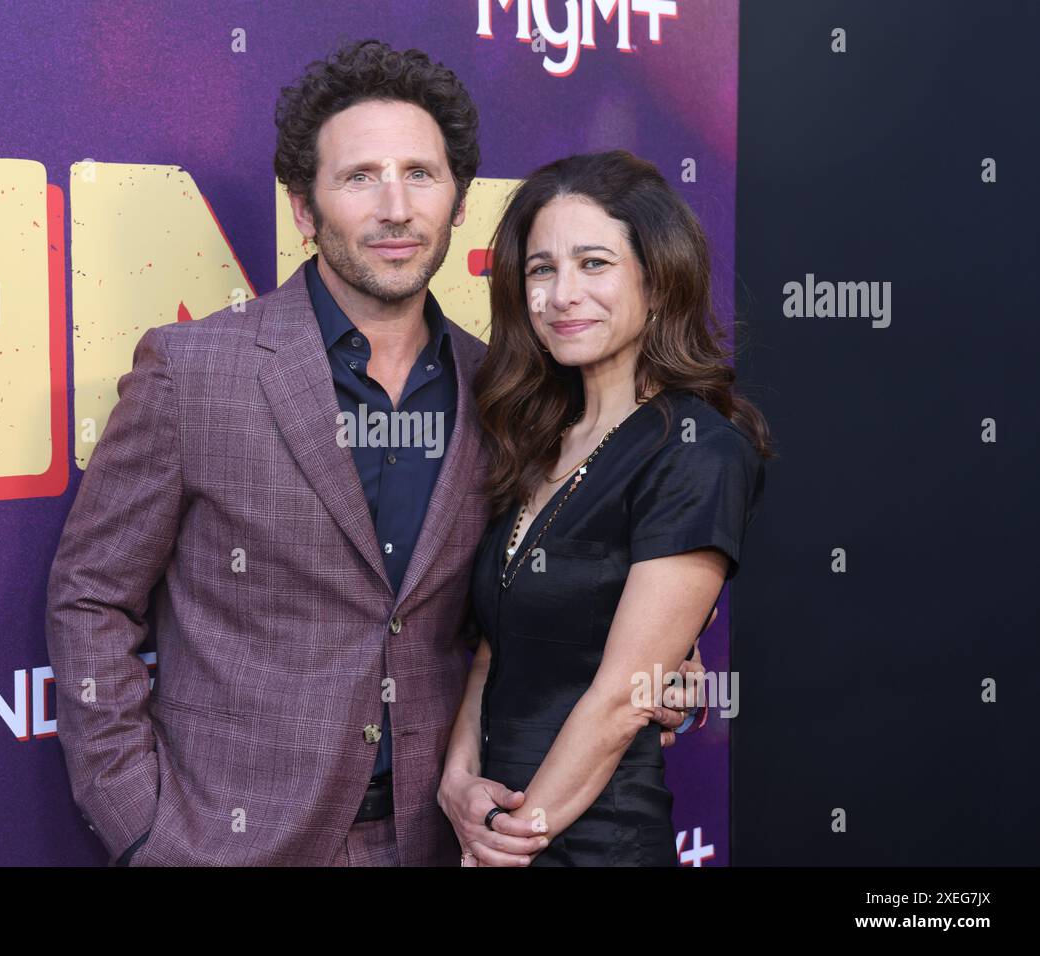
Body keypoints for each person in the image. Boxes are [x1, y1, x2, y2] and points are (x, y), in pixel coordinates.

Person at [45, 41, 694, 868]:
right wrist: (142, 823)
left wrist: (674, 657)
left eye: (421, 175)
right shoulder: (193, 372)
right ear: (304, 210)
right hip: (230, 842)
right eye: (359, 178)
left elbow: (556, 568)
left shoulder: (506, 386)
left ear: (458, 202)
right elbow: (90, 597)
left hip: (439, 832)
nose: (396, 208)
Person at [439, 150, 770, 866]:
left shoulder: (697, 450)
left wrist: (509, 843)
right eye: (540, 269)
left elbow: (626, 697)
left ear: (657, 280)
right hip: (489, 826)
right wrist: (457, 781)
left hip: (590, 841)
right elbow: (494, 649)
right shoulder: (535, 437)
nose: (561, 295)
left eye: (594, 264)